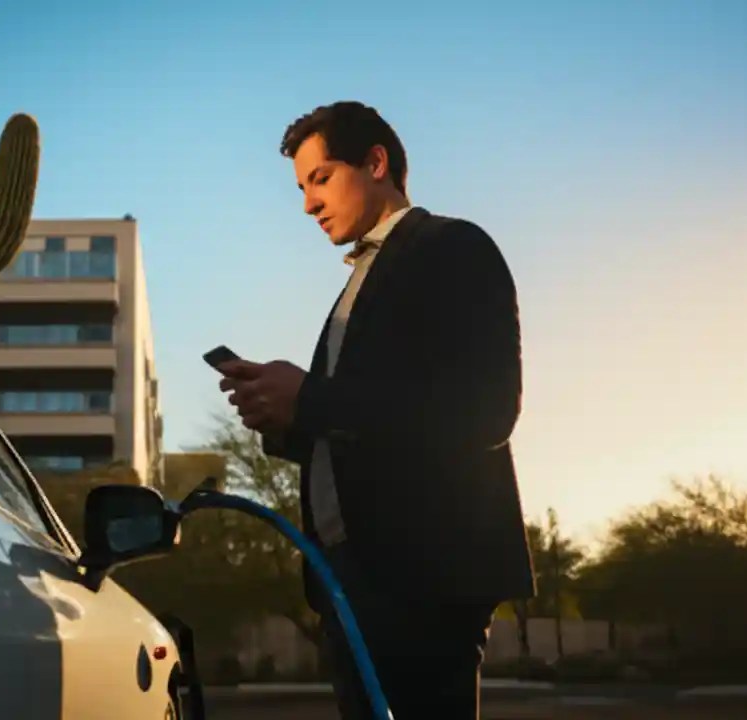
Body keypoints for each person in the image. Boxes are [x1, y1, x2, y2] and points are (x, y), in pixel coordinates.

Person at [218, 100, 535, 719]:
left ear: (377, 163)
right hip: (349, 582)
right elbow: (360, 426)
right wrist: (285, 417)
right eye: (302, 186)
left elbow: (485, 409)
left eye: (321, 177)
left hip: (424, 577)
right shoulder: (353, 287)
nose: (308, 203)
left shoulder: (451, 246)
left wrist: (309, 396)